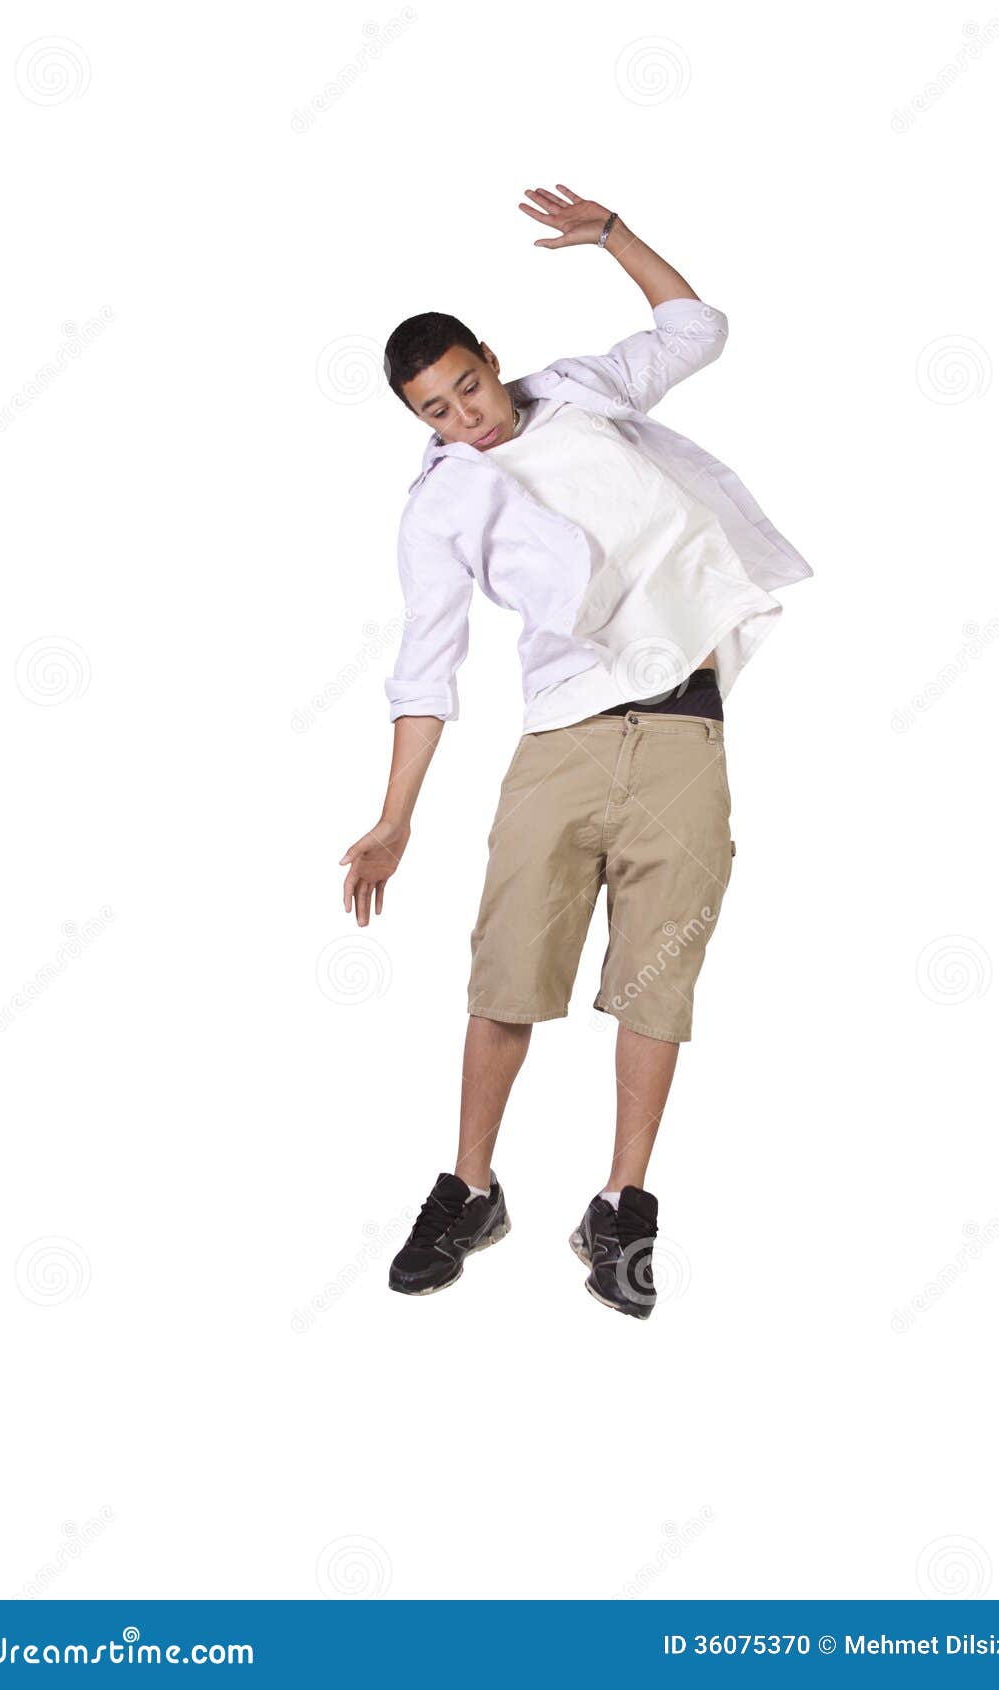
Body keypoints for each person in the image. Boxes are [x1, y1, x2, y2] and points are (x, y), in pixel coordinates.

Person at [340, 184, 812, 1318]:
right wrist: (395, 814)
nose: (467, 419)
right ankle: (468, 1186)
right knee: (507, 972)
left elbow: (692, 331)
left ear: (491, 361)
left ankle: (622, 1206)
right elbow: (426, 666)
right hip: (560, 737)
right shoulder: (441, 507)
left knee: (658, 983)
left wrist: (611, 237)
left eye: (468, 388)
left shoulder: (578, 393)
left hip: (684, 727)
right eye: (437, 413)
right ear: (419, 423)